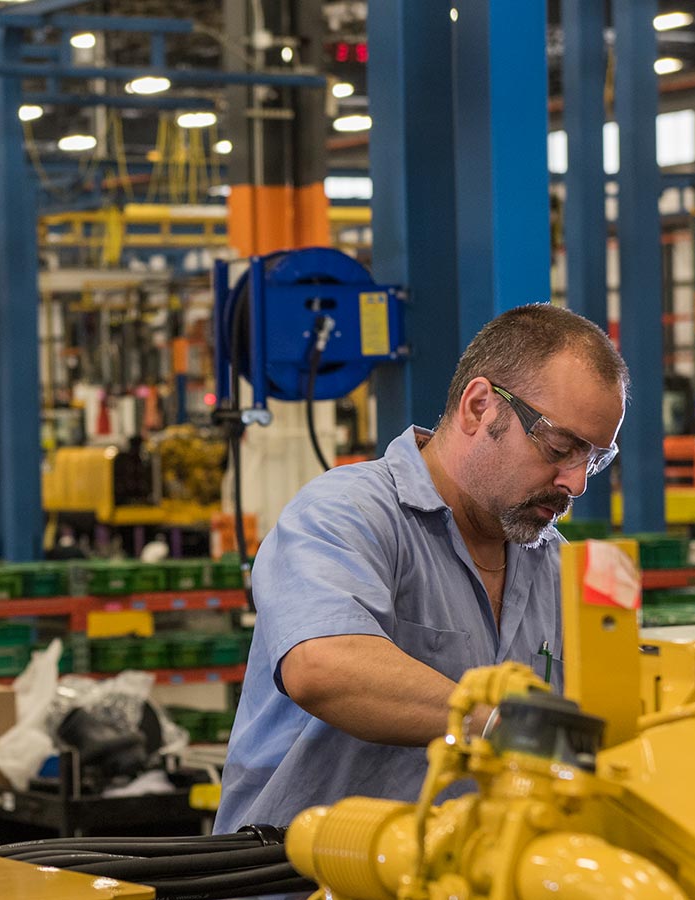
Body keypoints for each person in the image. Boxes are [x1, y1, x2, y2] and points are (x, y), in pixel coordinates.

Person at [214, 303, 629, 834]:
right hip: (300, 880)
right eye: (560, 447)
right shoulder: (347, 513)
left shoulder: (557, 568)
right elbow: (322, 667)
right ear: (480, 407)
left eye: (594, 460)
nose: (577, 484)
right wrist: (507, 724)